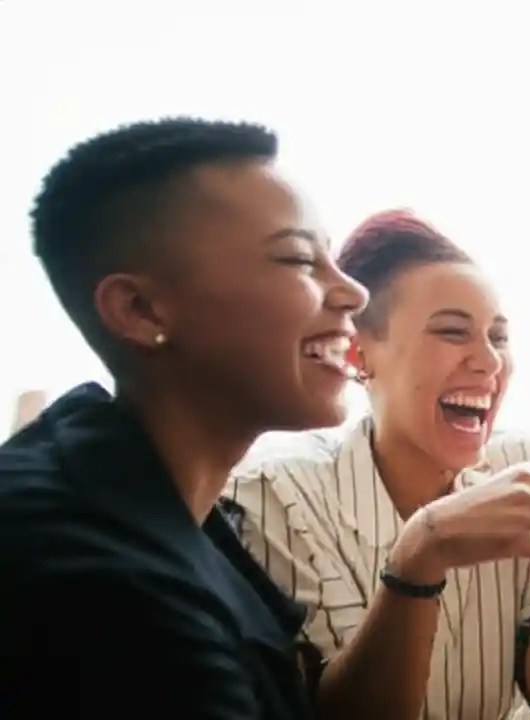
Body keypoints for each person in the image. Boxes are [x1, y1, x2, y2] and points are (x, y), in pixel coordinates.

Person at [0, 118, 368, 717]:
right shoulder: (104, 595)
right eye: (301, 260)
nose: (353, 292)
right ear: (140, 310)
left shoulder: (146, 493)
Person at [225, 209, 530, 719]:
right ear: (358, 355)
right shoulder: (276, 493)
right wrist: (422, 550)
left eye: (498, 337)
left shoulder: (528, 465)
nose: (489, 362)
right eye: (453, 333)